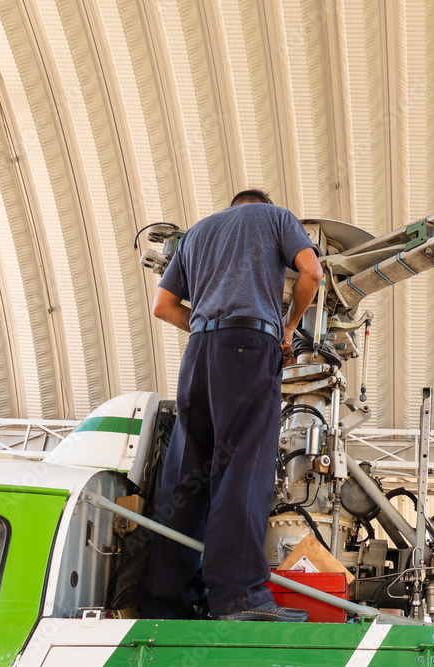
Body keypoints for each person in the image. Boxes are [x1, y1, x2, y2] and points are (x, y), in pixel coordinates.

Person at [137, 189, 323, 622]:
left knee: (186, 476)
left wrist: (207, 328)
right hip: (249, 347)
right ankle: (239, 598)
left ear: (233, 206)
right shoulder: (276, 217)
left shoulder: (197, 233)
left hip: (199, 353)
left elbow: (162, 306)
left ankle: (164, 603)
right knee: (243, 468)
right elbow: (311, 273)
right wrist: (287, 327)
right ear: (259, 204)